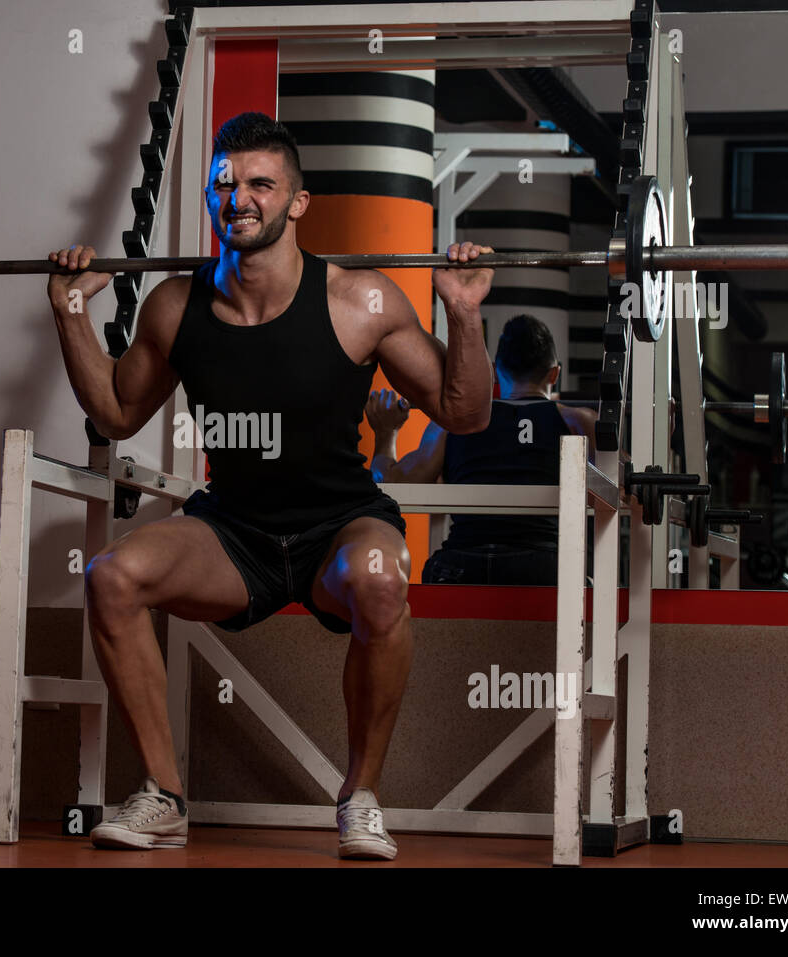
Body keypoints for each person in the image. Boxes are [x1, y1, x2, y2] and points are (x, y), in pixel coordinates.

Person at [45, 112, 494, 860]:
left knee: (382, 581)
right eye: (227, 184)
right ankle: (164, 793)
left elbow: (464, 412)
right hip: (233, 532)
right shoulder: (174, 306)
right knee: (112, 576)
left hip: (340, 525)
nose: (240, 198)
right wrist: (69, 312)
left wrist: (466, 314)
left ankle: (360, 797)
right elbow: (117, 413)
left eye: (261, 184)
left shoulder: (362, 302)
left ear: (297, 202)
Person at [365, 314, 597, 586]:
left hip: (461, 565)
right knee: (585, 584)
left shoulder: (454, 421)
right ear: (554, 373)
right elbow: (626, 481)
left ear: (496, 369)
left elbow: (391, 484)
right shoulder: (577, 421)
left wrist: (385, 432)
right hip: (545, 568)